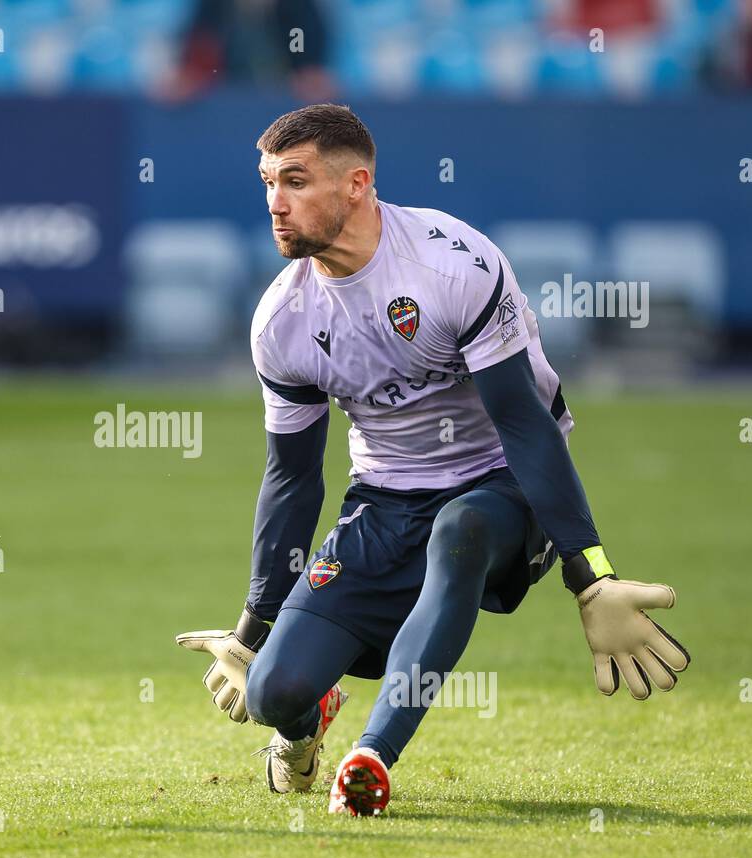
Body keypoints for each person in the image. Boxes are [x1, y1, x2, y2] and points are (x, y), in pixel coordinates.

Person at [176, 104, 689, 817]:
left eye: (294, 181)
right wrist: (252, 626)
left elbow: (524, 422)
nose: (275, 203)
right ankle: (311, 718)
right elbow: (293, 479)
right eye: (268, 183)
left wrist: (590, 575)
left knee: (461, 529)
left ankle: (371, 757)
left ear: (356, 185)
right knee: (273, 693)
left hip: (501, 488)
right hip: (384, 499)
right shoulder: (282, 321)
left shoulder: (453, 263)